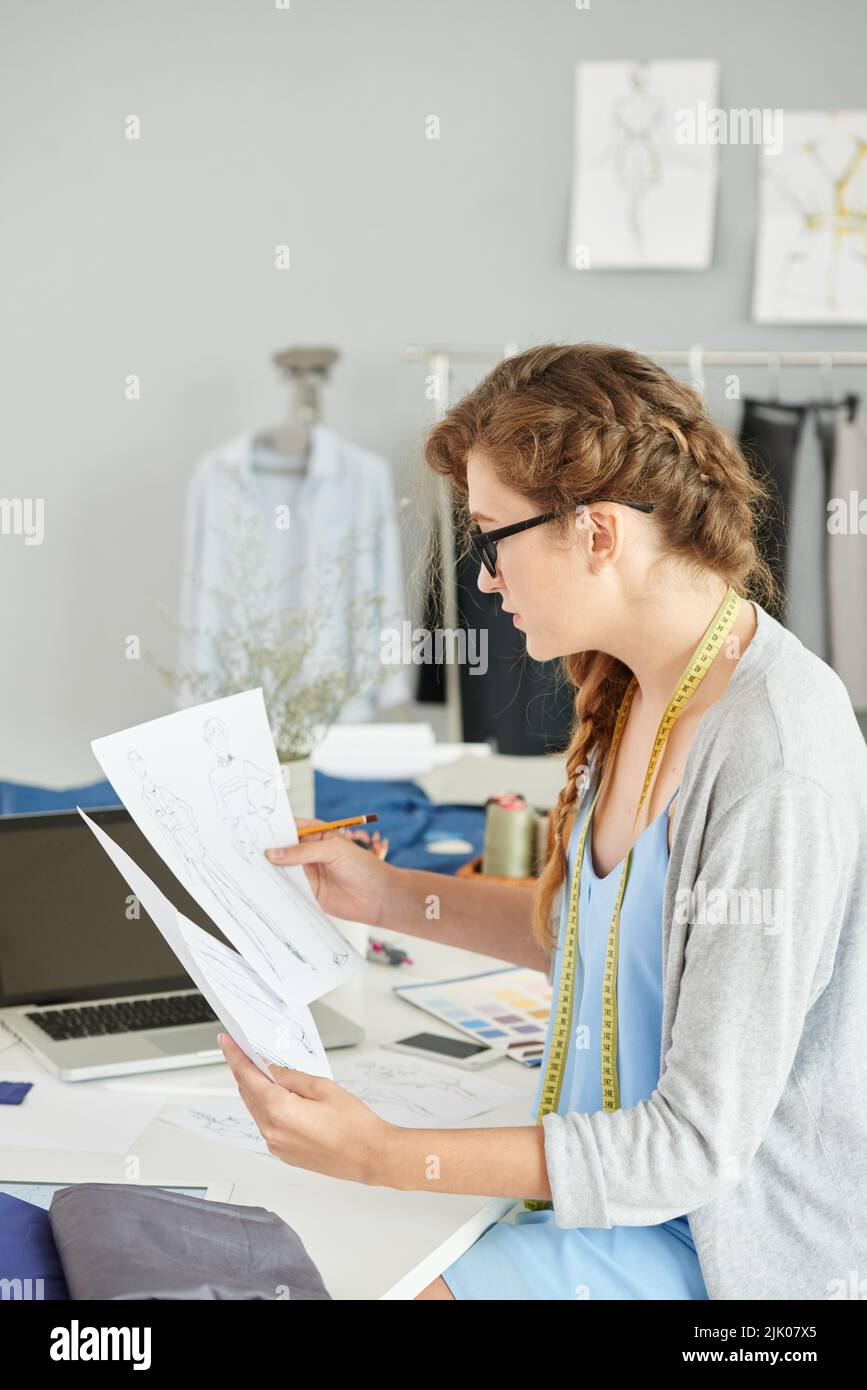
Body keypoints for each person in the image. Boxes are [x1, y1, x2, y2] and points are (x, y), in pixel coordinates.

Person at [218, 344, 867, 1301]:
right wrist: (390, 896)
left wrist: (389, 1156)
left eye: (491, 537)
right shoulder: (640, 682)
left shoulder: (773, 753)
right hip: (618, 1204)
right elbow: (606, 941)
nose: (483, 580)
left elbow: (695, 1147)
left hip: (724, 1258)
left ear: (595, 533)